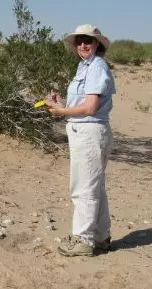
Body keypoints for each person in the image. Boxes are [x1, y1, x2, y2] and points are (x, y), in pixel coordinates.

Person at [45, 24, 116, 257]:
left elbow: (92, 107)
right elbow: (83, 105)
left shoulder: (97, 66)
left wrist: (60, 112)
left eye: (88, 40)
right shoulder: (84, 66)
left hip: (89, 133)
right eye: (79, 41)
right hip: (84, 132)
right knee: (95, 186)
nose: (83, 45)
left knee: (84, 188)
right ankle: (100, 237)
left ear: (97, 44)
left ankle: (83, 240)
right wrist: (63, 103)